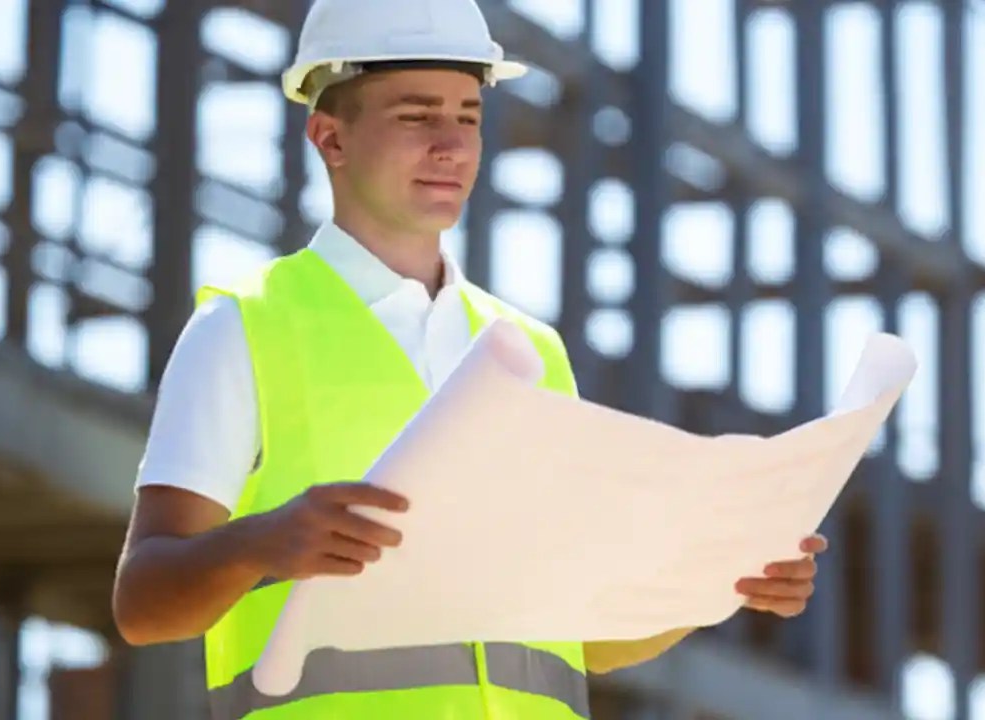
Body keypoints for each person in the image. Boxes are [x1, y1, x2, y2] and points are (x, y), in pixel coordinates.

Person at [111, 0, 829, 717]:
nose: (451, 145)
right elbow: (144, 605)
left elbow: (583, 633)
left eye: (468, 117)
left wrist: (720, 578)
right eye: (417, 116)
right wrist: (259, 543)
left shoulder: (531, 353)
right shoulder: (245, 328)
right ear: (330, 137)